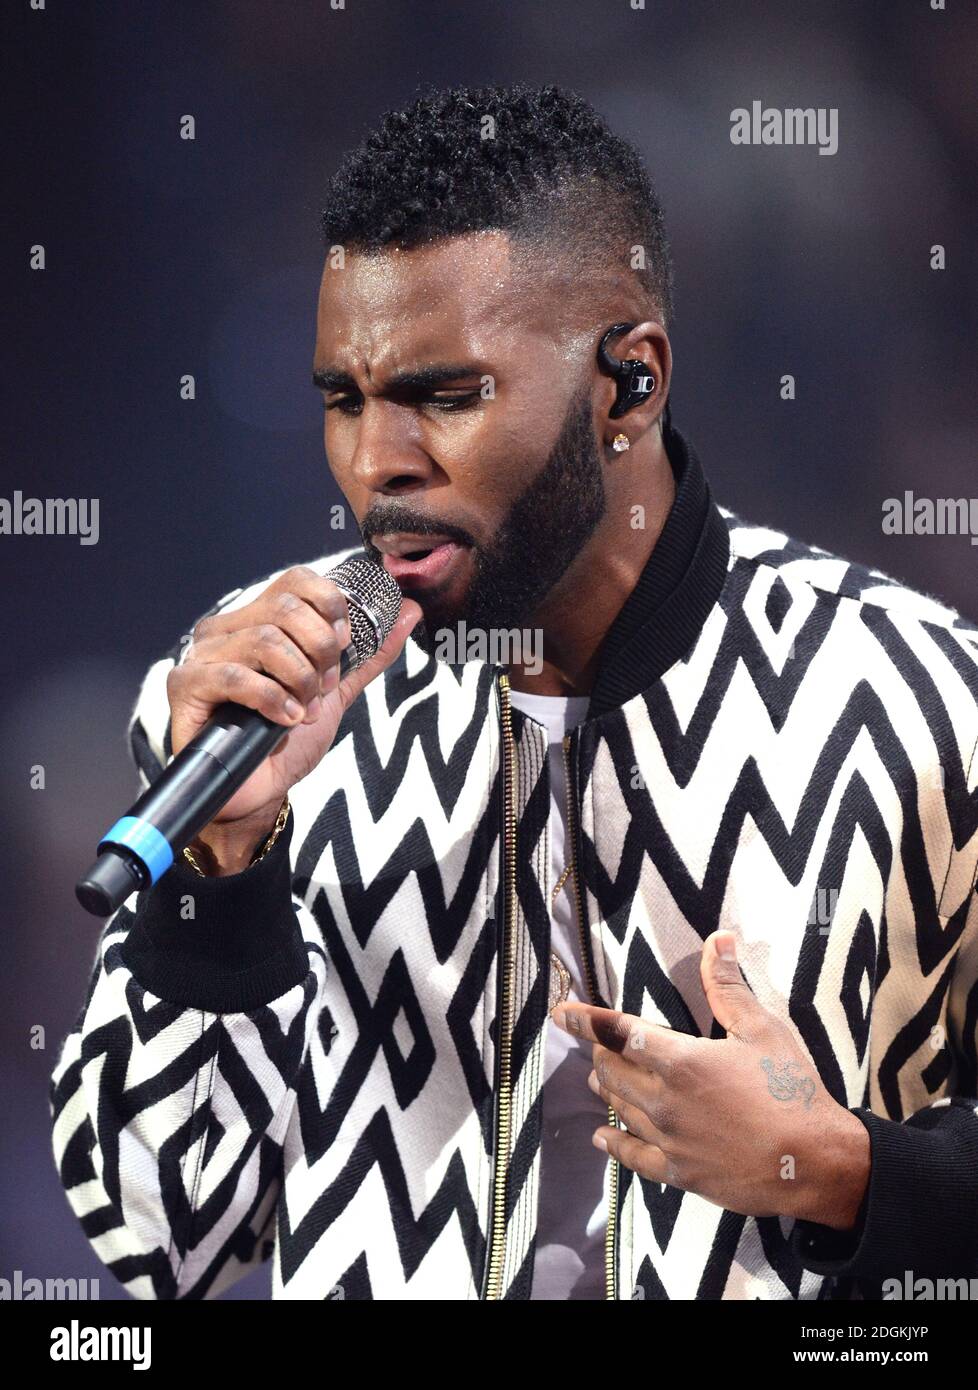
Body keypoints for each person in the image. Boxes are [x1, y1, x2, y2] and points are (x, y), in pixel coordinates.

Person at [50, 83, 978, 1301]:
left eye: (444, 394)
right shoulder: (253, 697)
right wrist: (226, 869)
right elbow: (156, 1239)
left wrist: (841, 1170)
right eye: (345, 398)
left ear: (628, 385)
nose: (377, 461)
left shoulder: (923, 702)